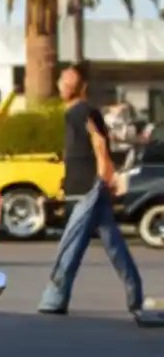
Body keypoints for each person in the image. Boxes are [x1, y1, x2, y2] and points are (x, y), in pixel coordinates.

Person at [39, 62, 159, 326]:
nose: (62, 84)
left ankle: (54, 299)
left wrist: (106, 176)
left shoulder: (83, 111)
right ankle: (135, 299)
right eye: (61, 79)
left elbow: (100, 143)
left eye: (67, 79)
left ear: (80, 86)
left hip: (89, 188)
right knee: (114, 246)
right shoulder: (74, 113)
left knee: (69, 244)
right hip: (84, 187)